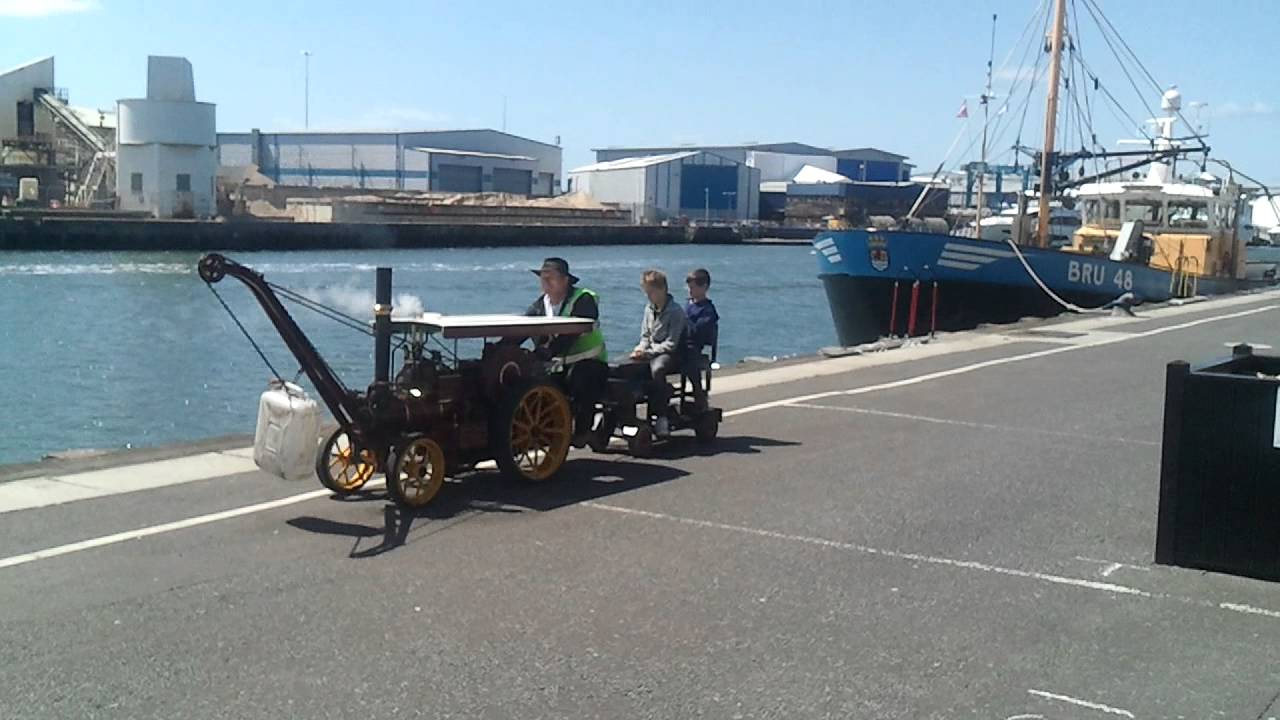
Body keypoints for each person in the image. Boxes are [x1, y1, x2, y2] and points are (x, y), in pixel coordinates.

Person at [521, 257, 607, 447]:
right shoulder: (540, 305)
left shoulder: (583, 299)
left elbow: (571, 334)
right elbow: (522, 329)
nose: (545, 282)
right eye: (542, 277)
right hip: (558, 365)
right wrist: (501, 347)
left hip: (591, 363)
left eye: (550, 277)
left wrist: (548, 351)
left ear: (565, 280)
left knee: (580, 378)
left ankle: (583, 431)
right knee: (533, 382)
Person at [629, 269, 687, 436]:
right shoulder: (649, 309)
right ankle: (629, 411)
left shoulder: (676, 312)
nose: (648, 296)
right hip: (651, 351)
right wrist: (640, 349)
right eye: (646, 292)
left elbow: (671, 343)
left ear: (662, 289)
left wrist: (650, 352)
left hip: (671, 354)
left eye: (651, 292)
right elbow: (645, 336)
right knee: (625, 367)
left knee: (657, 369)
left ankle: (661, 416)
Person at [684, 268, 719, 407]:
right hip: (680, 342)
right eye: (689, 287)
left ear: (704, 287)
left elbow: (698, 331)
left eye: (693, 288)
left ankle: (698, 392)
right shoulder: (688, 305)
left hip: (694, 346)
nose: (690, 291)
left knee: (689, 356)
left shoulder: (707, 310)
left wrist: (684, 322)